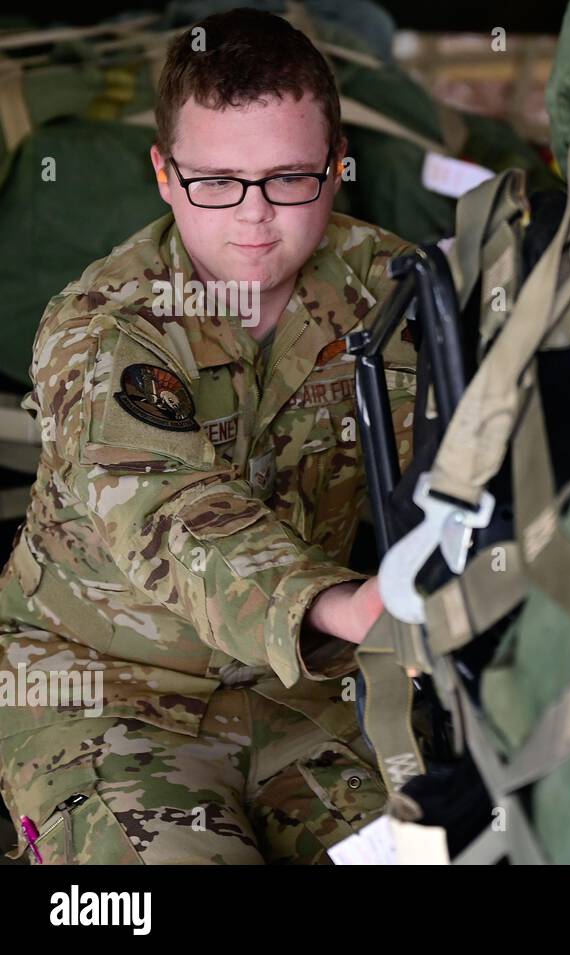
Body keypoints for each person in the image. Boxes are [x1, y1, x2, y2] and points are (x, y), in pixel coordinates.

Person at [0, 7, 421, 864]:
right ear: (164, 174)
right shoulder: (105, 326)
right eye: (217, 181)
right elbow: (170, 513)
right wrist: (343, 605)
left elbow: (489, 439)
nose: (255, 215)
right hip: (108, 690)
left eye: (289, 178)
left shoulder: (396, 290)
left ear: (337, 168)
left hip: (305, 694)